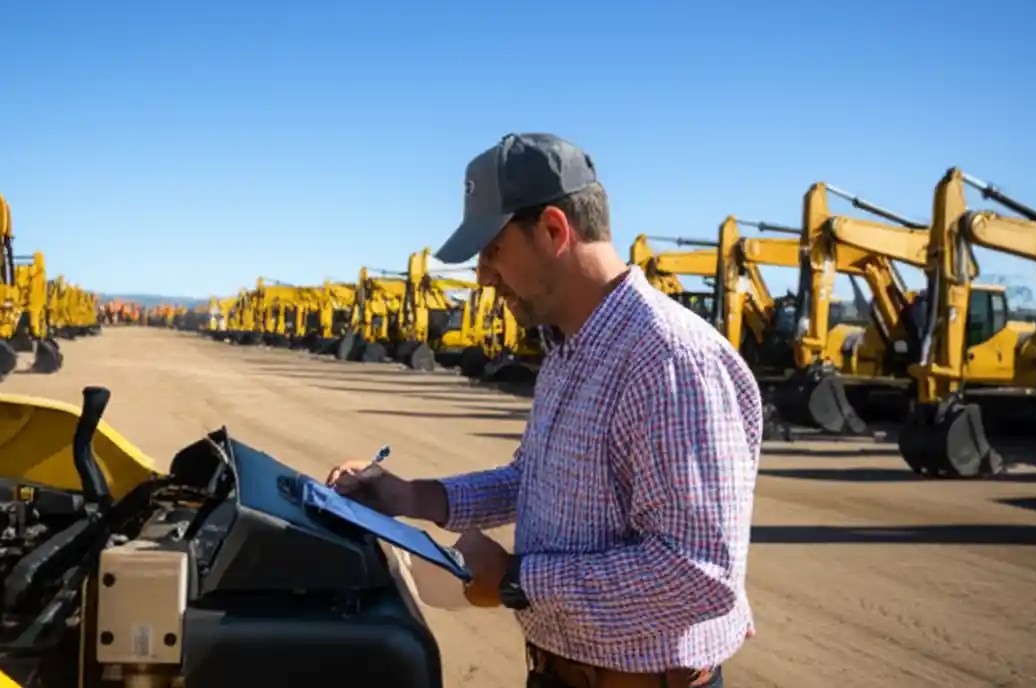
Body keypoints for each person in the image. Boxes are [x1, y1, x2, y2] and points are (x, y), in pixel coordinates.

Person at [326, 133, 762, 688]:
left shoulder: (670, 362)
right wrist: (411, 495)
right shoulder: (568, 351)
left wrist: (517, 580)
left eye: (492, 251)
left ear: (555, 230)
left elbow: (697, 575)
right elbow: (531, 480)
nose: (483, 277)